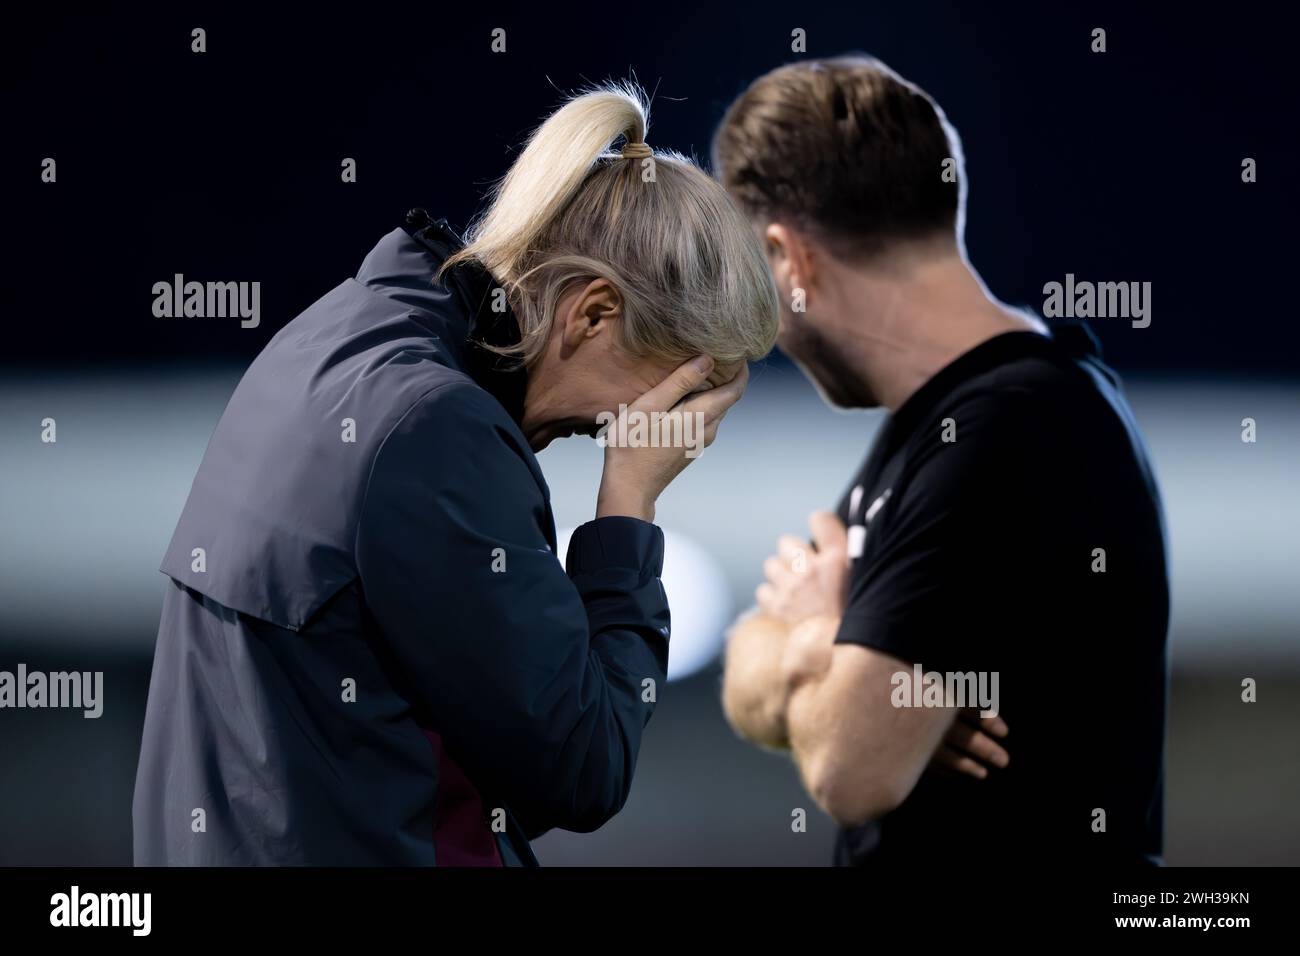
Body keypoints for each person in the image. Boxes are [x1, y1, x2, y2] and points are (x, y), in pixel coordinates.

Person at [132, 82, 779, 866]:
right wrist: (628, 508)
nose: (633, 431)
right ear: (593, 313)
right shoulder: (439, 432)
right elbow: (580, 770)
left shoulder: (331, 339)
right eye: (665, 392)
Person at [714, 56, 1169, 865]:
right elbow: (746, 674)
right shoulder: (940, 424)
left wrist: (823, 627)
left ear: (791, 259)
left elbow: (851, 770)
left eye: (758, 277)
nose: (768, 327)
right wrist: (838, 658)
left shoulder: (1006, 430)